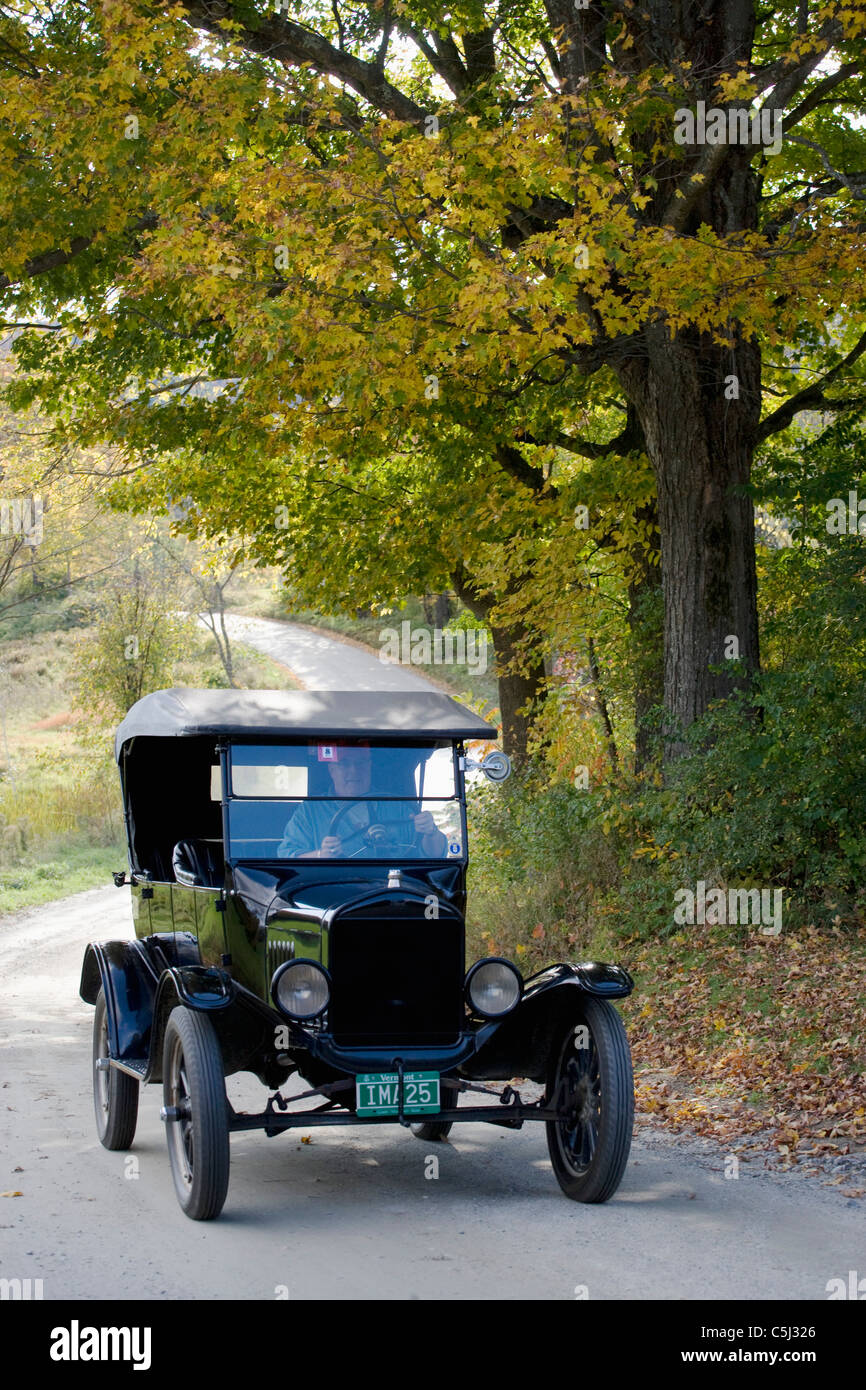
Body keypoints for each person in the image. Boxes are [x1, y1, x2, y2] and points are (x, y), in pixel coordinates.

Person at [277, 742, 447, 858]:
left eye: (361, 763)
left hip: (395, 890)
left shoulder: (398, 805)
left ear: (369, 766)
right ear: (331, 770)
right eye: (344, 763)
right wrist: (321, 854)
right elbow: (286, 856)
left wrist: (430, 832)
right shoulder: (310, 810)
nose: (354, 771)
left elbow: (435, 855)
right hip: (334, 890)